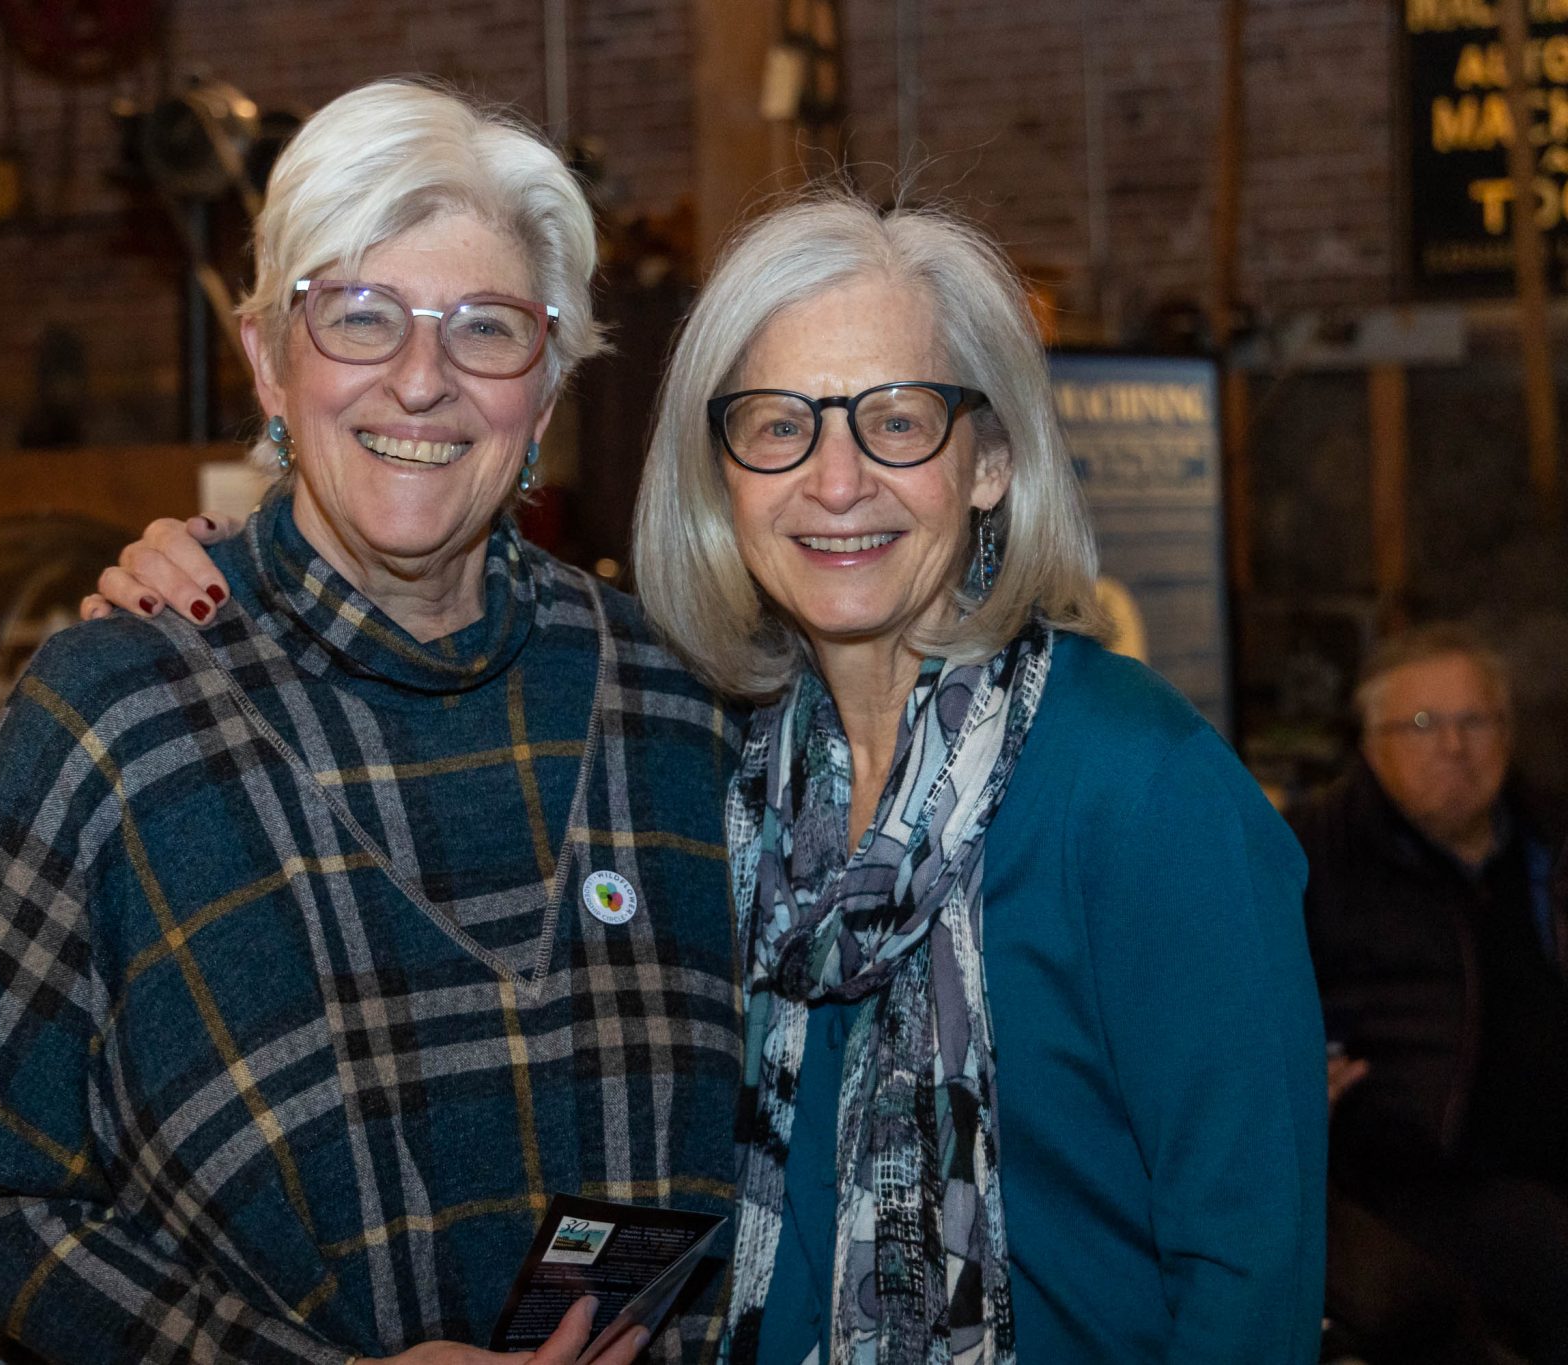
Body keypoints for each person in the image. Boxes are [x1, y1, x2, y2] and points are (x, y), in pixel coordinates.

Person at [95, 192, 1329, 1363]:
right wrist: (217, 580)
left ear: (988, 459)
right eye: (778, 424)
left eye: (894, 420)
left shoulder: (1136, 787)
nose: (833, 482)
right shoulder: (708, 771)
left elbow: (1249, 1276)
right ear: (724, 476)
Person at [0, 79, 744, 1365]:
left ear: (542, 392)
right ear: (267, 360)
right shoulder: (116, 715)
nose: (420, 382)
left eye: (485, 330)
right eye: (360, 318)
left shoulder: (667, 704)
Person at [1292, 624, 1568, 1365]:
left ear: (1508, 732)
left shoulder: (1549, 840)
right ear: (1371, 742)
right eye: (1422, 724)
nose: (1454, 746)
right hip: (1409, 1179)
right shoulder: (1309, 857)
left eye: (1474, 720)